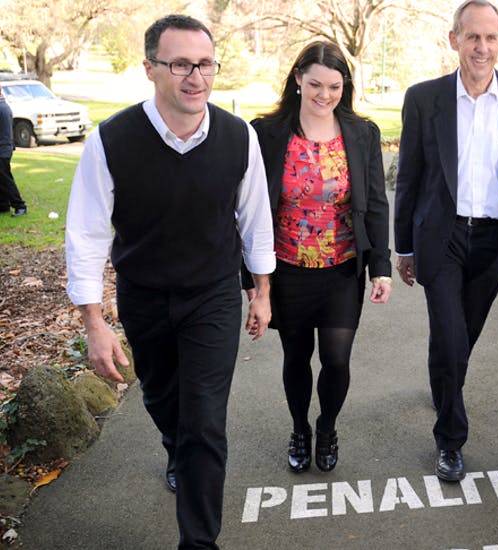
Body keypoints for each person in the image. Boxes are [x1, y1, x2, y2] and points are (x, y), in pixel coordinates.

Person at [65, 14, 275, 549]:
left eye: (205, 64)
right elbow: (86, 234)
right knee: (163, 401)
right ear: (150, 69)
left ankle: (198, 541)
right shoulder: (111, 140)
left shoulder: (239, 137)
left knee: (203, 421)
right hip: (145, 296)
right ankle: (174, 445)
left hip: (213, 295)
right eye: (181, 64)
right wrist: (94, 323)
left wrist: (262, 291)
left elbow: (255, 220)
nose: (196, 77)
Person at [394, 0, 498, 482]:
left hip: (495, 238)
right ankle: (450, 441)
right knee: (451, 335)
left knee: (462, 336)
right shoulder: (425, 98)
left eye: (490, 37)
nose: (482, 47)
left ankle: (443, 377)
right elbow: (409, 176)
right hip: (443, 236)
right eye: (472, 36)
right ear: (454, 39)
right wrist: (403, 247)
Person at [245, 40, 391, 474]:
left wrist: (381, 267)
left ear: (344, 86)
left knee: (337, 359)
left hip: (342, 269)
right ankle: (299, 429)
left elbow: (376, 203)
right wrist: (252, 282)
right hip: (287, 269)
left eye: (334, 86)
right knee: (295, 357)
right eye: (315, 85)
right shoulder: (266, 133)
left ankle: (327, 428)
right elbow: (247, 207)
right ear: (297, 80)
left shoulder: (362, 133)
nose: (324, 95)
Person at [0, 85, 27, 216]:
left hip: (2, 149)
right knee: (2, 178)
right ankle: (3, 205)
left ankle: (20, 205)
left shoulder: (2, 108)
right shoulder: (3, 106)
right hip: (5, 148)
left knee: (5, 179)